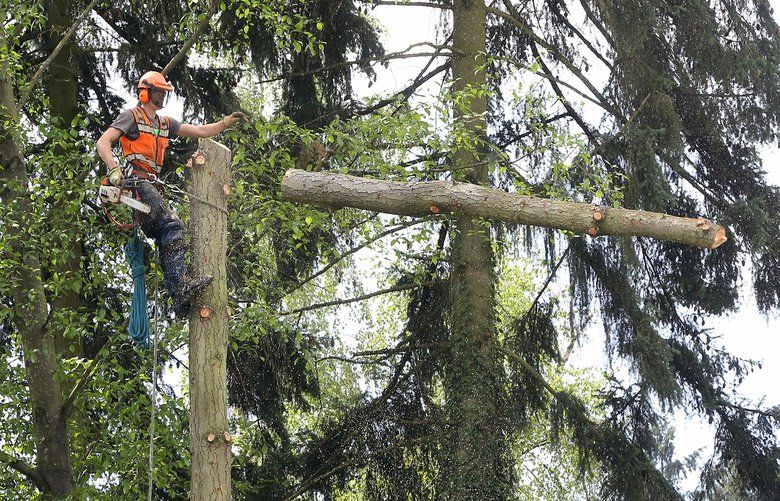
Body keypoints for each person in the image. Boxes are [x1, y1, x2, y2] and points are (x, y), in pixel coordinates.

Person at [96, 70, 243, 317]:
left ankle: (178, 298)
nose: (161, 96)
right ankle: (180, 286)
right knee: (173, 227)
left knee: (167, 235)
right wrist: (114, 170)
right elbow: (103, 142)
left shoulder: (164, 124)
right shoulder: (131, 117)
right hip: (136, 182)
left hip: (152, 186)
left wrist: (224, 124)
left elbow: (199, 131)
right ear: (145, 92)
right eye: (158, 91)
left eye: (164, 93)